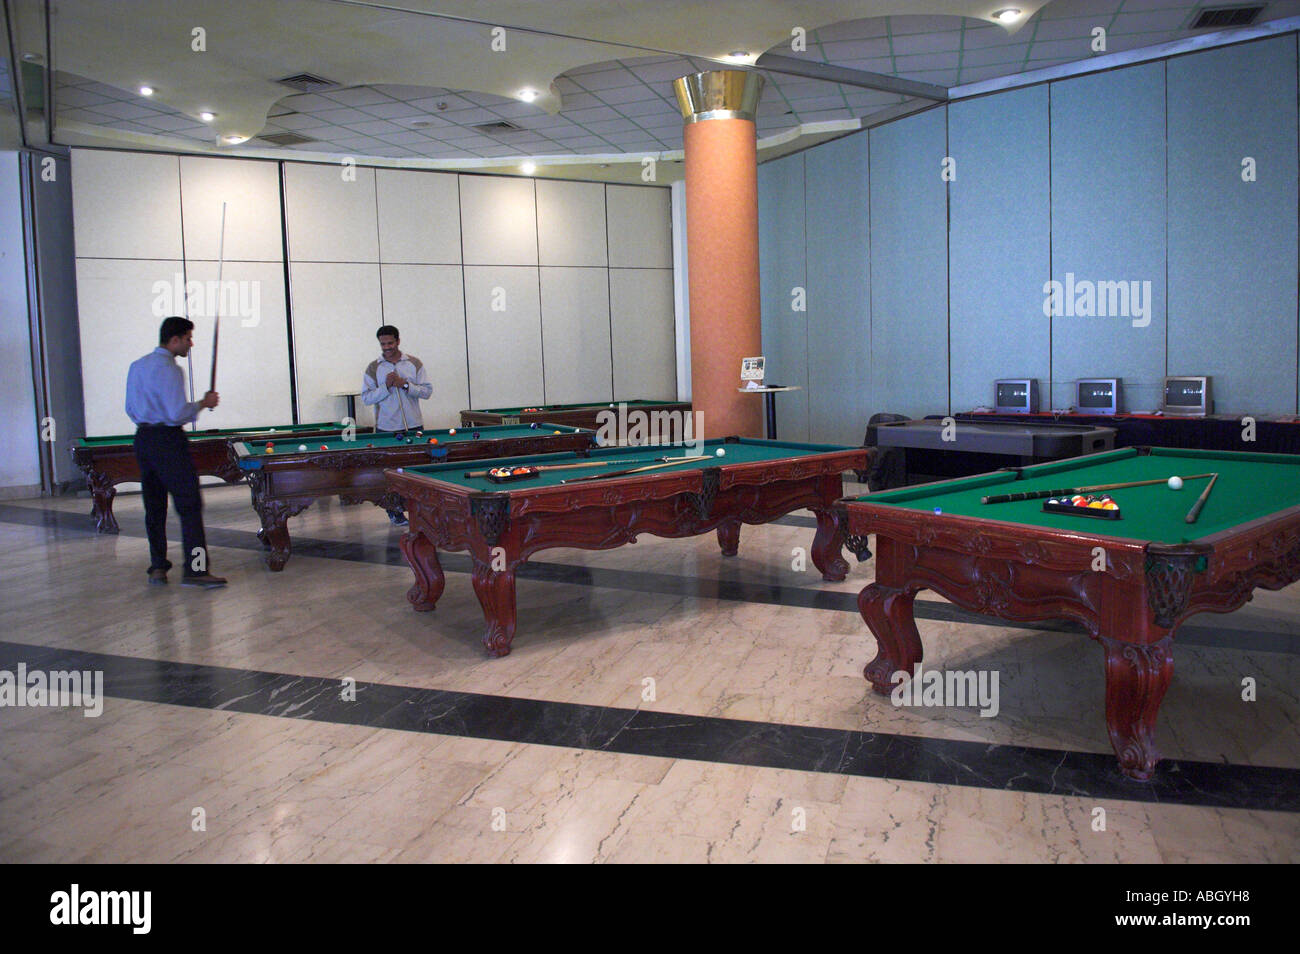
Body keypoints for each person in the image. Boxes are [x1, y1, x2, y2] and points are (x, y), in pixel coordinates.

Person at [124, 316, 227, 587]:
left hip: (143, 438)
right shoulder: (170, 369)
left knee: (154, 506)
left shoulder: (137, 366)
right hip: (168, 441)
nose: (190, 344)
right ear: (174, 340)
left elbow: (130, 409)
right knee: (190, 505)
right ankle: (196, 571)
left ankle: (158, 567)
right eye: (188, 338)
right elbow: (177, 413)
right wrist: (203, 403)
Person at [362, 325, 433, 525]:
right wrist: (386, 387)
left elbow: (427, 392)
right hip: (387, 428)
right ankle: (394, 510)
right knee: (391, 474)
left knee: (417, 471)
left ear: (398, 341)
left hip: (414, 426)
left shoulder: (414, 363)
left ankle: (419, 511)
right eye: (383, 344)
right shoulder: (373, 368)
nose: (387, 347)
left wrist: (404, 384)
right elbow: (366, 398)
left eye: (390, 343)